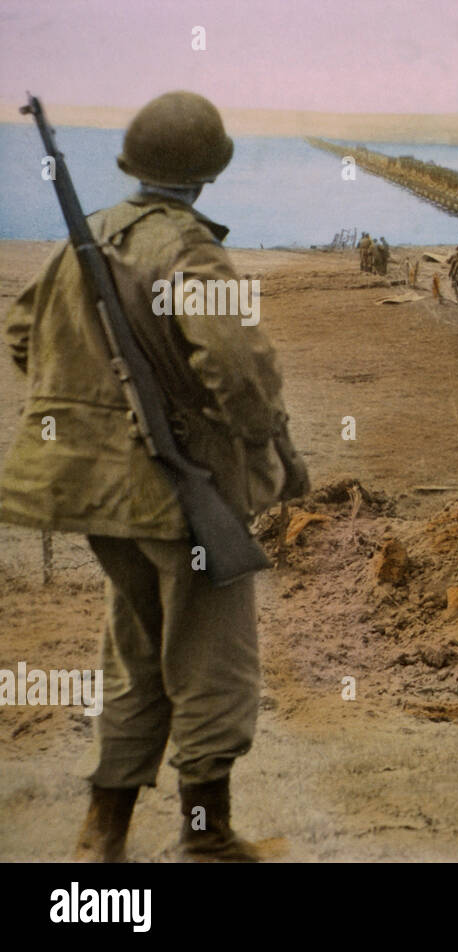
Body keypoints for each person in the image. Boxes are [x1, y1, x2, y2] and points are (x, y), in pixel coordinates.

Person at [0, 91, 308, 863]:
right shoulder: (188, 248)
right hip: (183, 491)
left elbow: (19, 333)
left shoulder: (88, 235)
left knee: (135, 655)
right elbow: (239, 371)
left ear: (134, 164)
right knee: (210, 662)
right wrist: (255, 445)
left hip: (106, 501)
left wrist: (107, 408)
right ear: (207, 174)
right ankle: (207, 842)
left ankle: (100, 840)